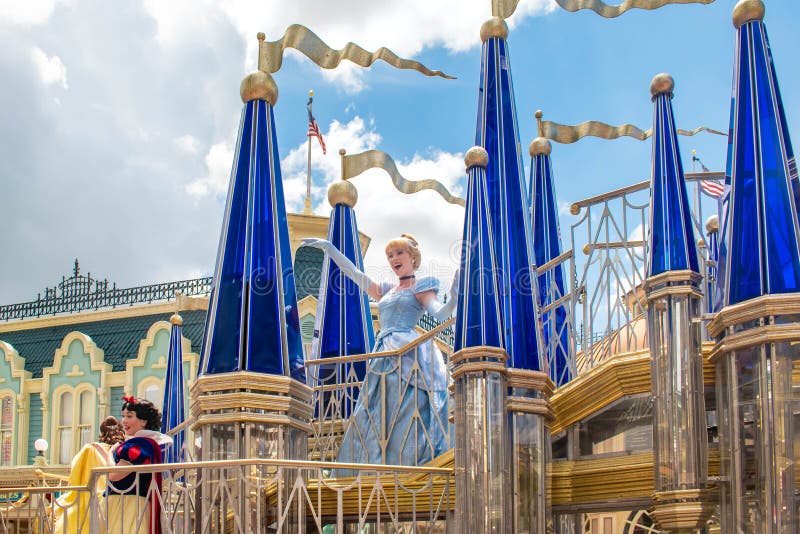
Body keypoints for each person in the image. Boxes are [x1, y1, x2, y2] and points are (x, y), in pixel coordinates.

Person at [302, 233, 457, 467]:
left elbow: (441, 313)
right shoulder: (387, 290)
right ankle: (376, 464)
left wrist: (454, 295)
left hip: (408, 353)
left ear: (413, 257)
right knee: (376, 408)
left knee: (406, 405)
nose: (394, 258)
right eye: (390, 255)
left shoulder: (421, 286)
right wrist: (330, 249)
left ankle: (408, 463)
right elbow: (355, 274)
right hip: (383, 353)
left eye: (399, 253)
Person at [94, 396, 172, 534]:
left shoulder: (136, 446)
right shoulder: (148, 443)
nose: (124, 421)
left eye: (129, 416)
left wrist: (108, 454)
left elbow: (114, 475)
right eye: (123, 416)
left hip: (126, 506)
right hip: (135, 504)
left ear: (143, 421)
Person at [50, 417, 125, 533]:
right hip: (118, 499)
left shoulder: (91, 449)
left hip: (92, 498)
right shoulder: (123, 449)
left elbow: (76, 474)